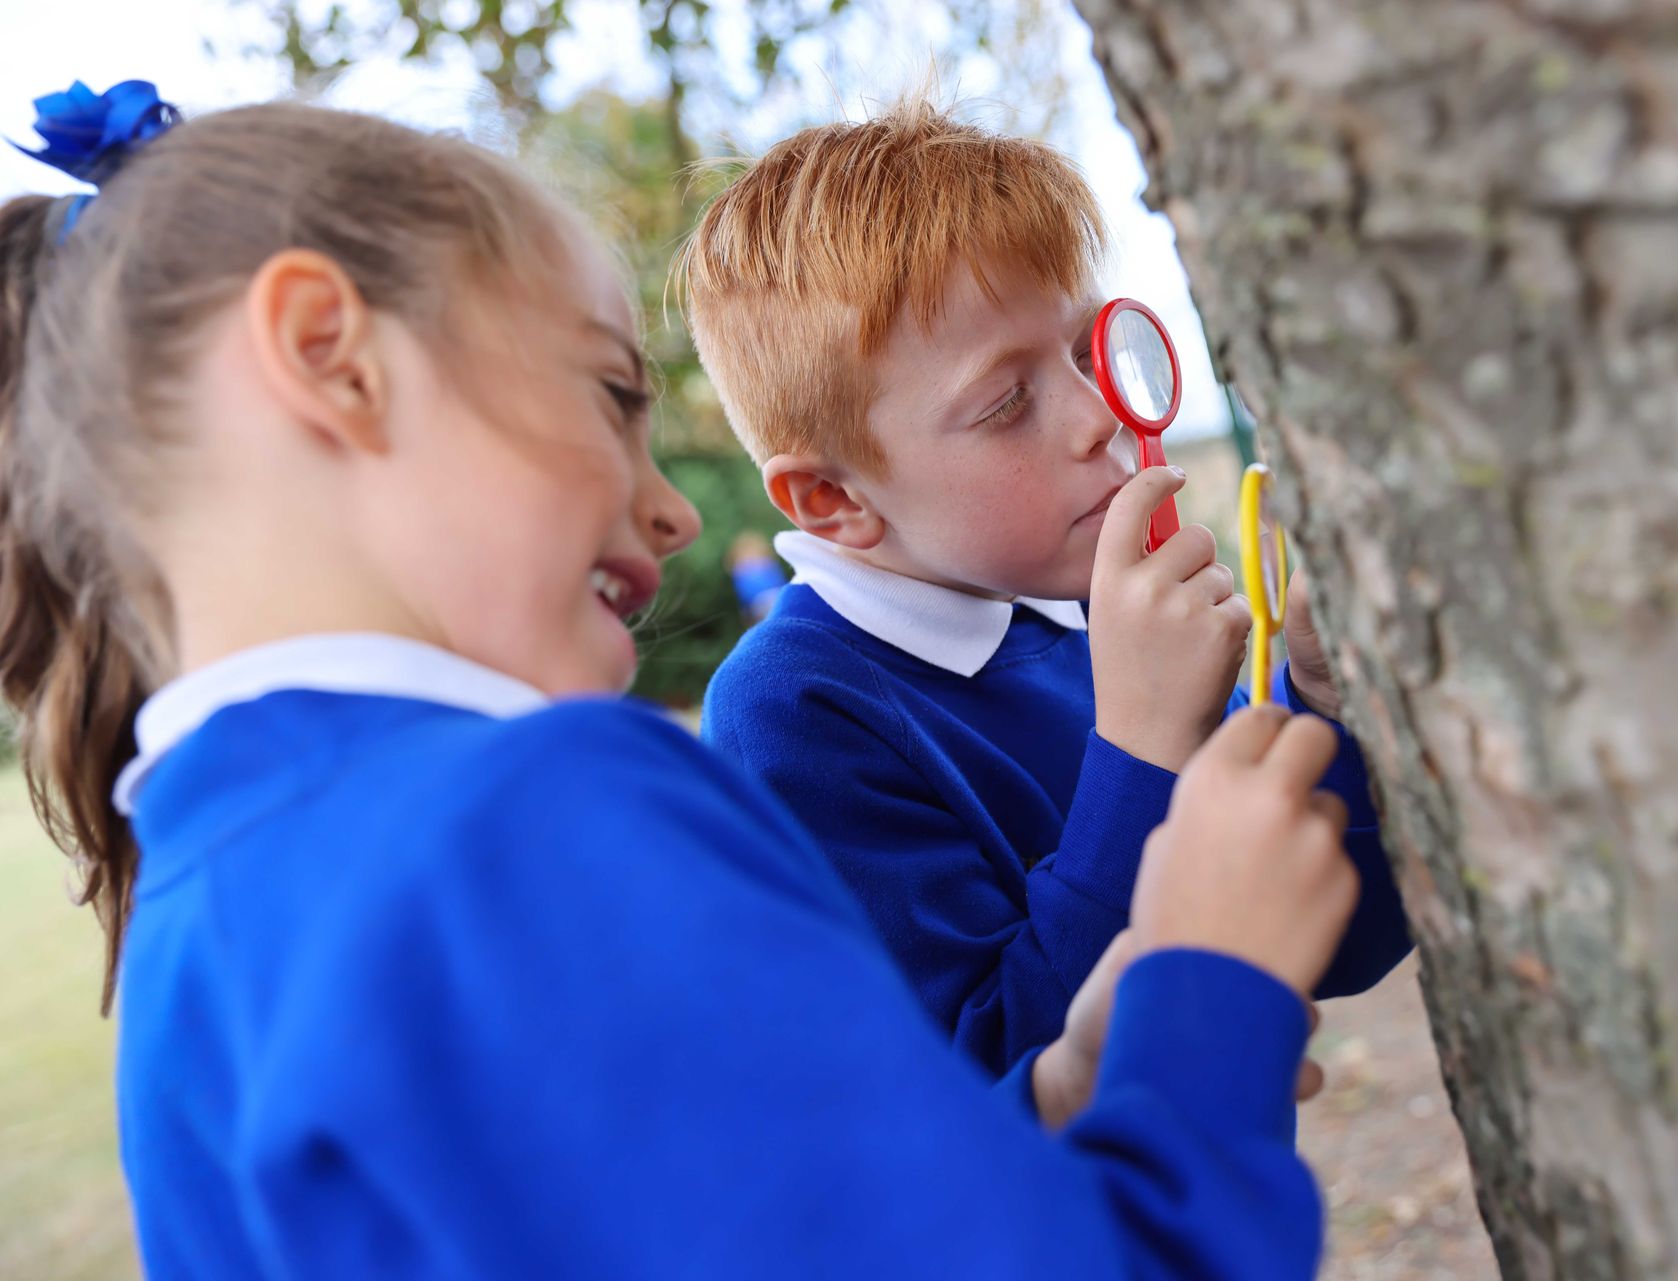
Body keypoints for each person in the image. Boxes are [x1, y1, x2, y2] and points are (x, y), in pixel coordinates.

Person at [2, 81, 1363, 1279]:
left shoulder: (189, 929)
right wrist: (1208, 982)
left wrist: (1054, 1096)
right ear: (328, 357)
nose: (668, 511)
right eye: (610, 393)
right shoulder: (530, 816)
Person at [683, 98, 1411, 1071]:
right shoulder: (795, 715)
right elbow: (991, 1079)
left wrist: (1321, 697)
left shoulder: (1072, 603)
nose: (1097, 414)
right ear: (832, 497)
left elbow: (1335, 938)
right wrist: (1143, 744)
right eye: (1007, 400)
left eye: (1083, 351)